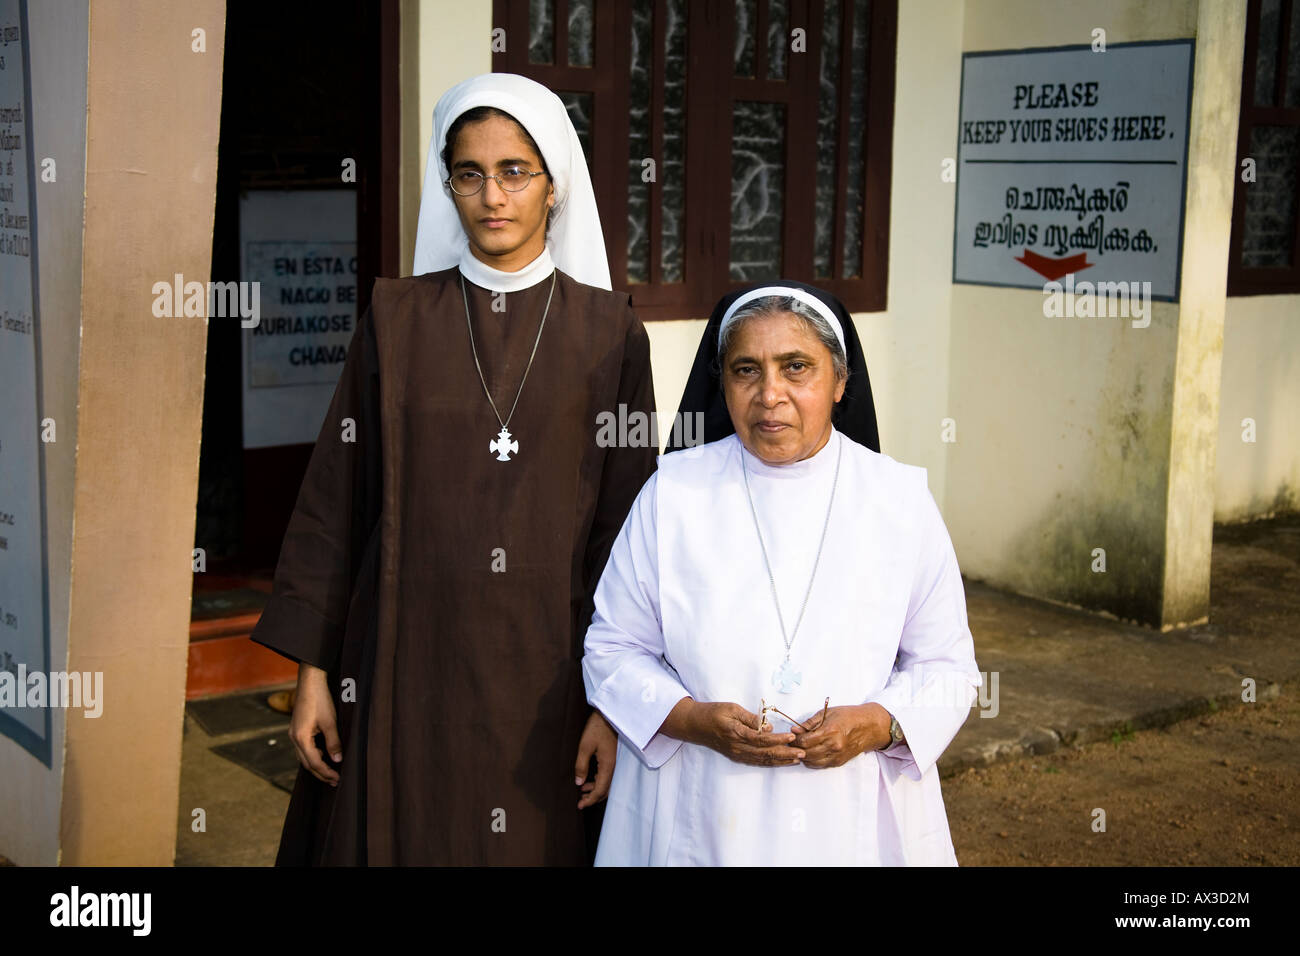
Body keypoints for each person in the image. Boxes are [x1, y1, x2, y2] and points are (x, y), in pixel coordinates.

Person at [250, 73, 656, 864]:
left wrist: (613, 707)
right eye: (469, 173)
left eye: (514, 171)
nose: (492, 195)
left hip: (551, 671)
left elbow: (629, 534)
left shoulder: (611, 335)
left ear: (554, 188)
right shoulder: (396, 321)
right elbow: (338, 501)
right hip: (406, 659)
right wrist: (314, 670)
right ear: (449, 187)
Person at [581, 281, 983, 865]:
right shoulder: (675, 492)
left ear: (840, 381)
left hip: (851, 812)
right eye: (747, 371)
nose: (770, 394)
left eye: (796, 368)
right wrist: (692, 719)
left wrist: (878, 723)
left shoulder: (899, 500)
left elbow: (948, 667)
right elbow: (613, 647)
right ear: (724, 383)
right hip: (703, 802)